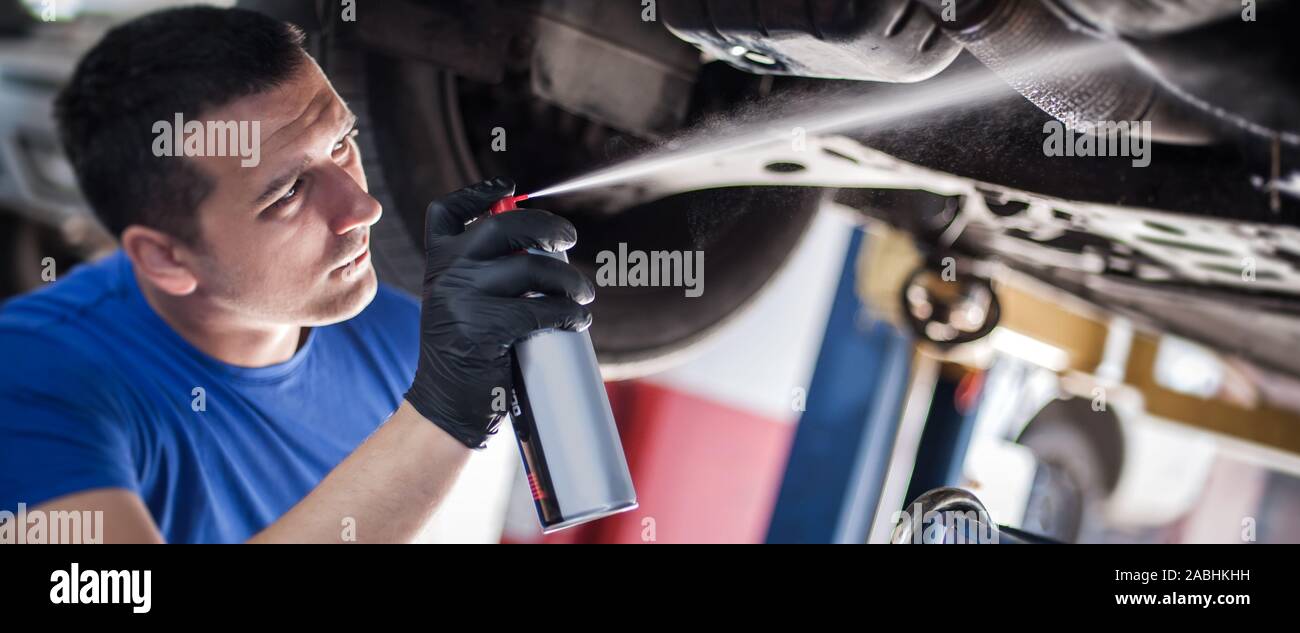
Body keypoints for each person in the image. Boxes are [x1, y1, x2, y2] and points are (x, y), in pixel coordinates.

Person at [0, 6, 593, 543]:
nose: (364, 209)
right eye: (287, 193)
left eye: (341, 145)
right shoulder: (28, 378)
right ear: (166, 258)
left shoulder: (406, 323)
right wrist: (440, 417)